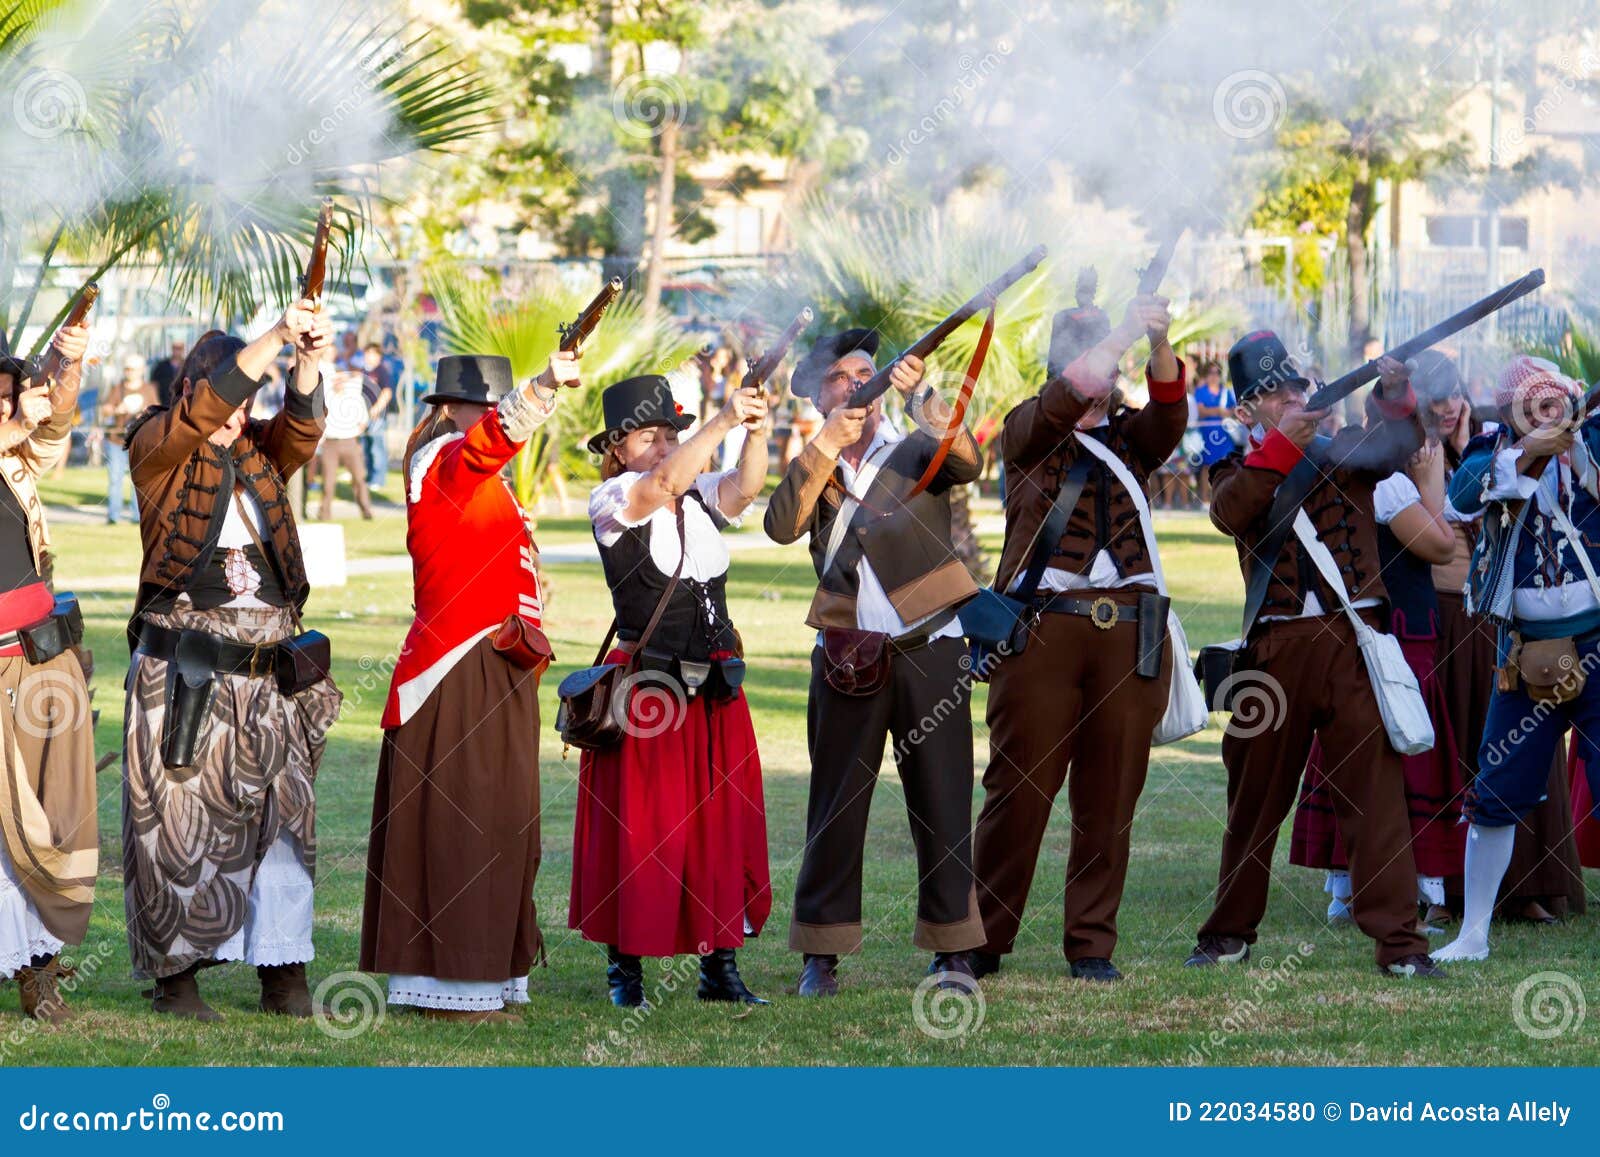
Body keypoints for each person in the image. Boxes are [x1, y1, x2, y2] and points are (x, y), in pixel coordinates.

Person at [1190, 330, 1443, 979]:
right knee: (1253, 800)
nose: (1293, 397)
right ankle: (1228, 934)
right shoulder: (1232, 468)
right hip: (1275, 648)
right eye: (1275, 393)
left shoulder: (1345, 453)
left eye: (1297, 387)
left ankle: (1401, 945)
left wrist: (1393, 390)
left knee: (1377, 797)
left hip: (1351, 639)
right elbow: (1233, 509)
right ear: (1247, 410)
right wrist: (1286, 443)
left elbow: (1399, 441)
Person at [122, 302, 341, 1020]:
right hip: (188, 674)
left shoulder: (256, 453)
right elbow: (205, 408)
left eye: (245, 402)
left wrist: (305, 356)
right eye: (226, 398)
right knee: (176, 828)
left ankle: (283, 971)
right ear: (194, 389)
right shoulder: (154, 446)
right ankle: (176, 980)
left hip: (269, 671)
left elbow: (303, 428)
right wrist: (274, 335)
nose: (237, 415)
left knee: (283, 818)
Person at [970, 293, 1185, 983]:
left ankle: (1091, 942)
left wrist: (1157, 340)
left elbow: (1170, 416)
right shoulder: (1031, 426)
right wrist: (1124, 329)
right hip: (1044, 630)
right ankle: (983, 934)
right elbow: (1067, 398)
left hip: (1128, 633)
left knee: (1111, 794)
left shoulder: (1130, 438)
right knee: (1018, 790)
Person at [764, 330, 984, 996]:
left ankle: (953, 951)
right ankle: (820, 954)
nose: (862, 382)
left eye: (870, 371)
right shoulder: (817, 458)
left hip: (931, 648)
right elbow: (781, 523)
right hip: (847, 655)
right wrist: (828, 441)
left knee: (943, 803)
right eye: (845, 376)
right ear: (819, 393)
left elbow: (968, 459)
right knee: (834, 808)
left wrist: (926, 394)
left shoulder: (917, 444)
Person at [361, 352, 577, 1023]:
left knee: (500, 823)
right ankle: (452, 986)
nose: (487, 416)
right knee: (466, 823)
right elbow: (486, 447)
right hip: (456, 665)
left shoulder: (482, 472)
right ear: (448, 409)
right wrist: (542, 388)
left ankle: (487, 976)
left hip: (496, 661)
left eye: (495, 404)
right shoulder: (447, 458)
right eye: (478, 404)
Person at [569, 374, 772, 1008]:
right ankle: (624, 972)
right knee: (644, 828)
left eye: (669, 437)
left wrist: (755, 429)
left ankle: (720, 968)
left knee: (722, 822)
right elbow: (661, 486)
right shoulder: (613, 499)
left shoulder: (698, 499)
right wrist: (721, 420)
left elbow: (745, 487)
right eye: (649, 438)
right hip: (649, 690)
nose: (662, 447)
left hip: (714, 684)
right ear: (617, 449)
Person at [1433, 355, 1600, 962]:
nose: (1545, 411)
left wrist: (1575, 442)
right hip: (1525, 654)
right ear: (1508, 412)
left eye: (1553, 401)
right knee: (1496, 793)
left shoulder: (1592, 436)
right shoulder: (1491, 449)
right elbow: (1463, 499)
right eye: (1531, 405)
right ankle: (1473, 934)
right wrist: (1531, 447)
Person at [1288, 440, 1464, 929]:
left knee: (1363, 752)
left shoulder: (1360, 478)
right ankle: (1411, 894)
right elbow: (1441, 544)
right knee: (1406, 757)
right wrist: (1430, 486)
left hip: (1381, 631)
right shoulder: (1390, 486)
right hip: (1399, 636)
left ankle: (1352, 891)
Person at [0, 323, 97, 1022]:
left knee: (48, 817)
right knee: (10, 824)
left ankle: (37, 966)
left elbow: (52, 428)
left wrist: (69, 362)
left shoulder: (14, 464)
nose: (18, 409)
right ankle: (29, 969)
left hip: (40, 655)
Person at [101, 354, 158, 524]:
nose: (129, 372)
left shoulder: (149, 390)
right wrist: (117, 409)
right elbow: (104, 410)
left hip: (139, 442)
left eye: (132, 369)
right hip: (116, 441)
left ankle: (137, 516)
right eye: (126, 368)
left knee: (139, 481)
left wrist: (144, 413)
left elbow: (156, 412)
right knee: (115, 479)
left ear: (141, 371)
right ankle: (113, 516)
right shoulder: (117, 389)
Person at [317, 357, 374, 521]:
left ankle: (366, 510)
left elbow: (363, 421)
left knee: (359, 478)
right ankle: (324, 513)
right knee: (328, 481)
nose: (339, 383)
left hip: (350, 441)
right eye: (337, 379)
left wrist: (351, 431)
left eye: (342, 379)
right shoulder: (326, 399)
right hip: (331, 443)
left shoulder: (355, 398)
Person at [1191, 357, 1234, 505]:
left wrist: (1219, 412)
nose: (1214, 375)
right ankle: (1204, 499)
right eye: (1211, 372)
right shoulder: (1201, 391)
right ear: (1206, 374)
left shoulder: (1226, 391)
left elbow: (1233, 411)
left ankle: (1222, 499)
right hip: (1206, 432)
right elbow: (1201, 411)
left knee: (1225, 465)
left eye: (1217, 372)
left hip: (1224, 433)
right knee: (1207, 466)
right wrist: (1219, 410)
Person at [359, 342, 394, 490]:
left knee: (377, 449)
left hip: (377, 417)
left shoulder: (381, 371)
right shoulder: (363, 371)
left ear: (379, 356)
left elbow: (387, 393)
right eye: (367, 353)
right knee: (366, 448)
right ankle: (369, 477)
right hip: (364, 417)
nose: (368, 357)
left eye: (372, 354)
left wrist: (376, 410)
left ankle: (378, 480)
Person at [149, 340, 186, 408]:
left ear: (183, 349)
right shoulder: (161, 366)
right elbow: (153, 384)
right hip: (163, 402)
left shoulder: (187, 365)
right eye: (175, 348)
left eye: (179, 348)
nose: (177, 350)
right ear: (172, 349)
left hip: (181, 403)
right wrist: (155, 400)